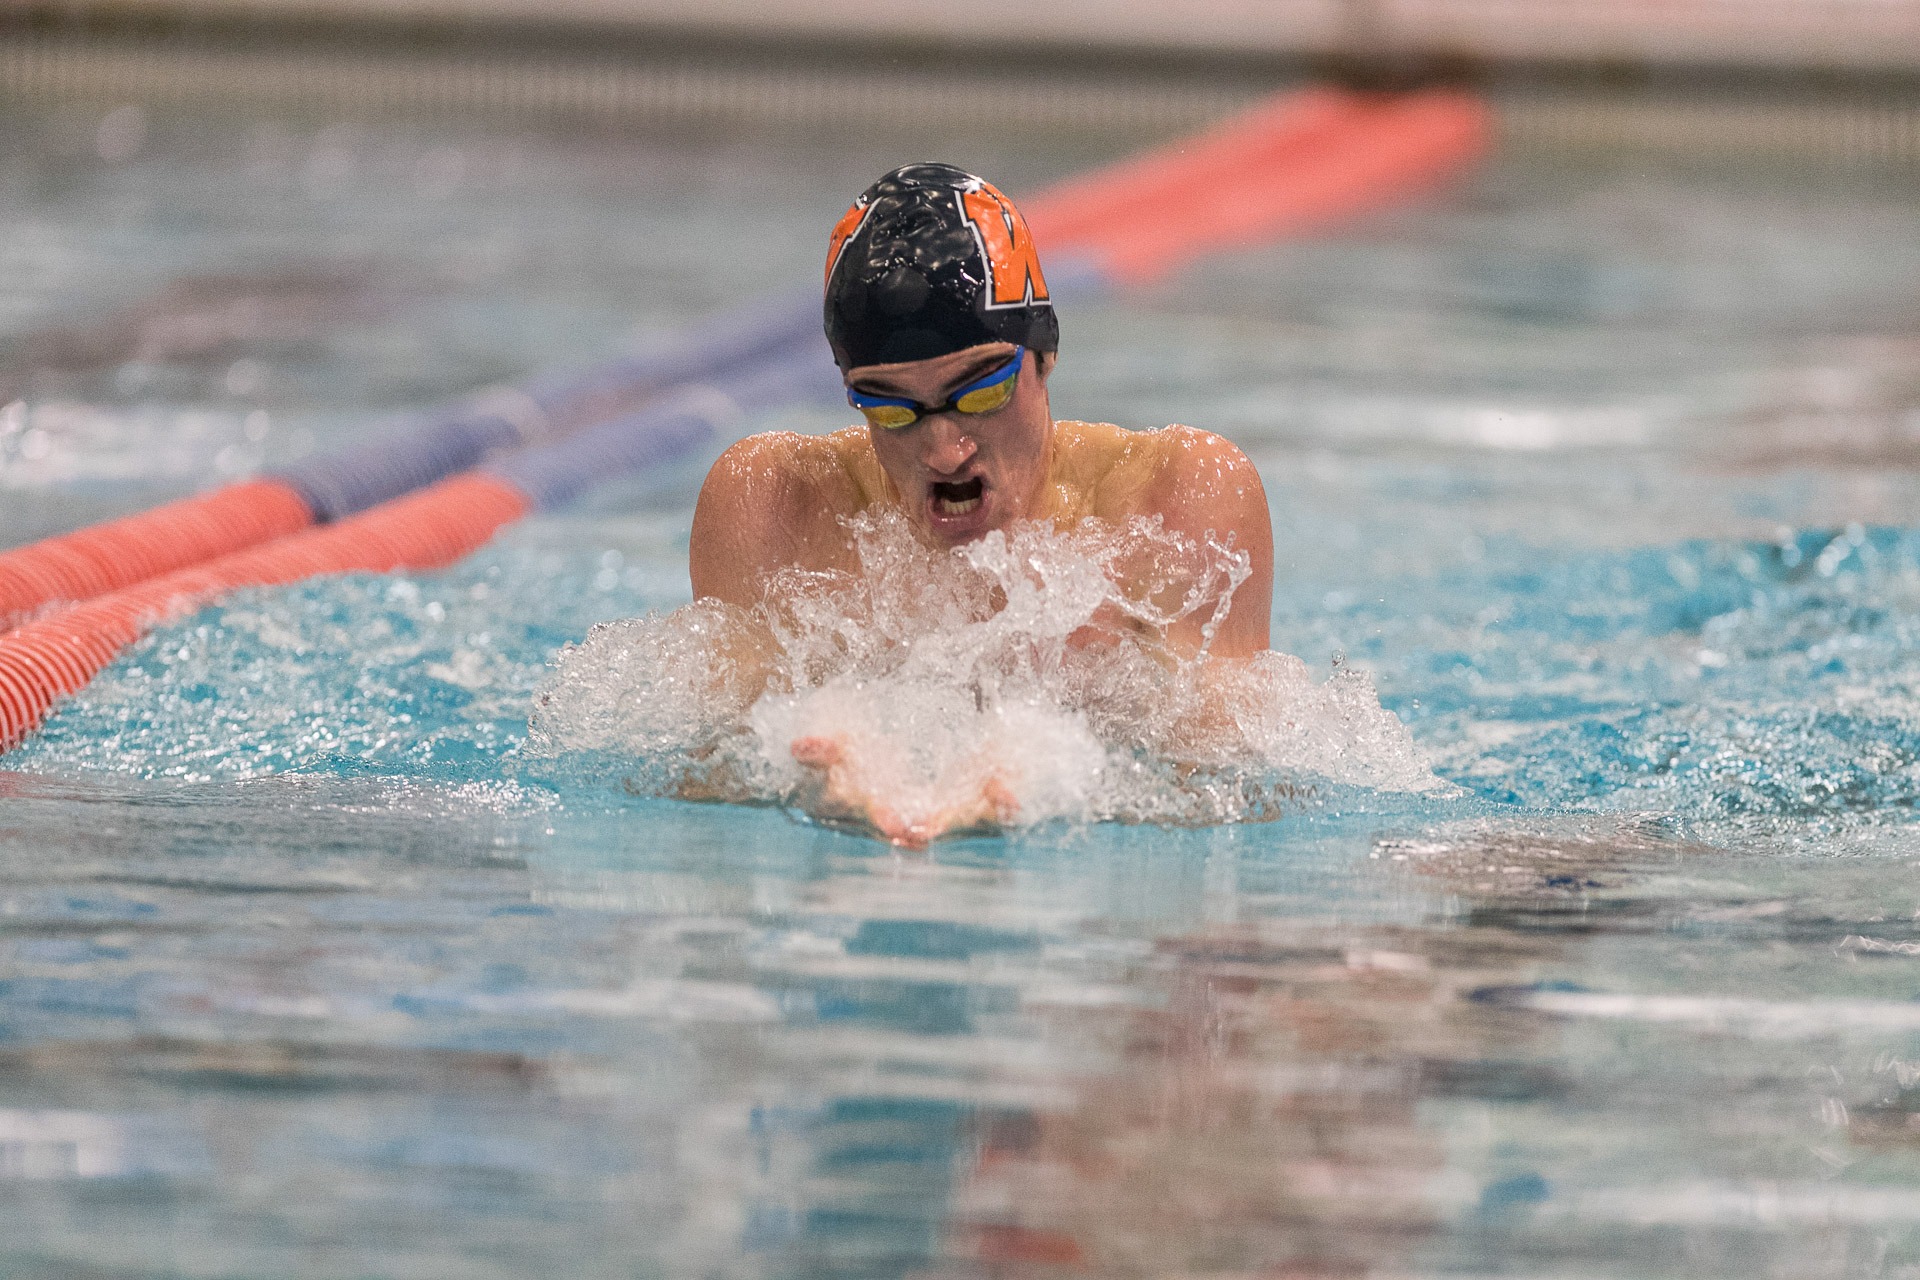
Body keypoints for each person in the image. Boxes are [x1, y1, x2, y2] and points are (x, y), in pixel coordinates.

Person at [688, 163, 1273, 843]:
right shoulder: (774, 501)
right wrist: (807, 788)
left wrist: (1047, 785)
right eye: (891, 407)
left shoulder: (1172, 498)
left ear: (1044, 356)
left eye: (981, 392)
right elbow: (702, 765)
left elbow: (1237, 790)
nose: (943, 449)